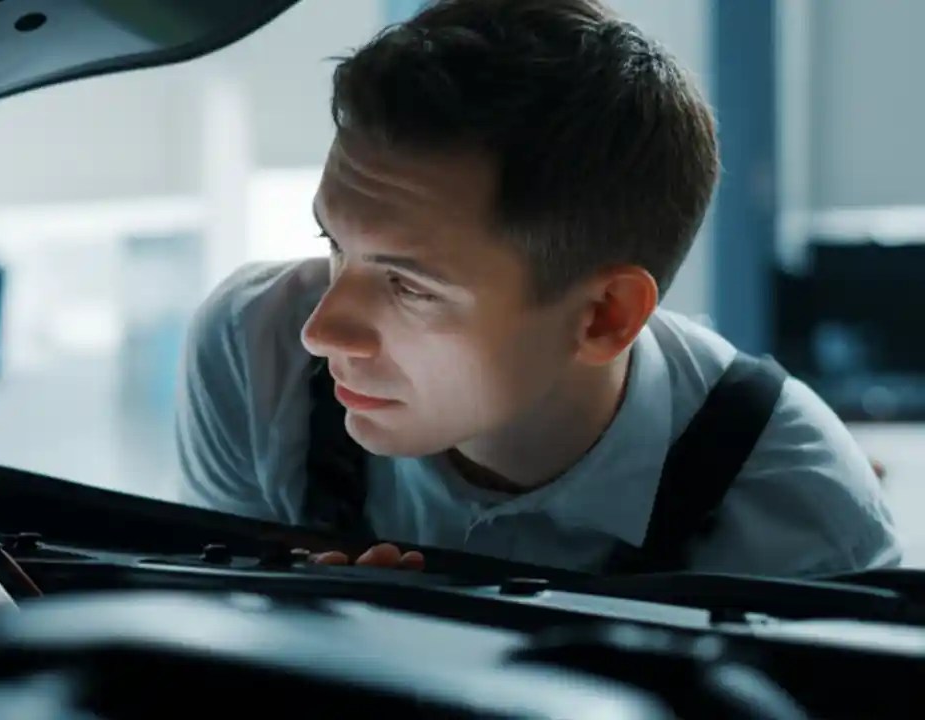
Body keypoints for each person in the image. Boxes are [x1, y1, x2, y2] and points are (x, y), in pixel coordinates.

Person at [174, 0, 903, 576]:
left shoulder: (799, 516)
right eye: (333, 243)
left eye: (407, 285)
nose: (320, 330)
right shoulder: (252, 350)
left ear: (603, 317)